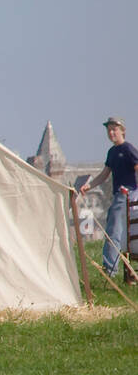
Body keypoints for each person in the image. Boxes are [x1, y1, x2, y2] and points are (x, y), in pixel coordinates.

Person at [79, 116, 138, 282]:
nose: (111, 133)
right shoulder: (112, 152)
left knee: (113, 231)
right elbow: (105, 174)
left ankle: (110, 268)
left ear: (122, 131)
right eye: (109, 130)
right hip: (118, 195)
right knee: (115, 230)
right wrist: (89, 186)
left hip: (126, 194)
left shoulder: (127, 149)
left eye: (114, 129)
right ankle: (113, 267)